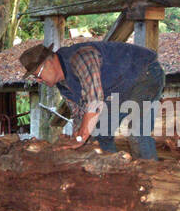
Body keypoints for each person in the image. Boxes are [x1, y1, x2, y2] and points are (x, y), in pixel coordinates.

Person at [20, 39, 165, 160]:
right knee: (99, 135)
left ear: (49, 62)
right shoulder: (63, 85)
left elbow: (94, 99)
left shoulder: (81, 57)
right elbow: (79, 114)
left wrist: (82, 137)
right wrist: (77, 138)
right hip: (118, 89)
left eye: (38, 74)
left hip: (145, 75)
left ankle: (151, 179)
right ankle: (114, 176)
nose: (38, 80)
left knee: (137, 132)